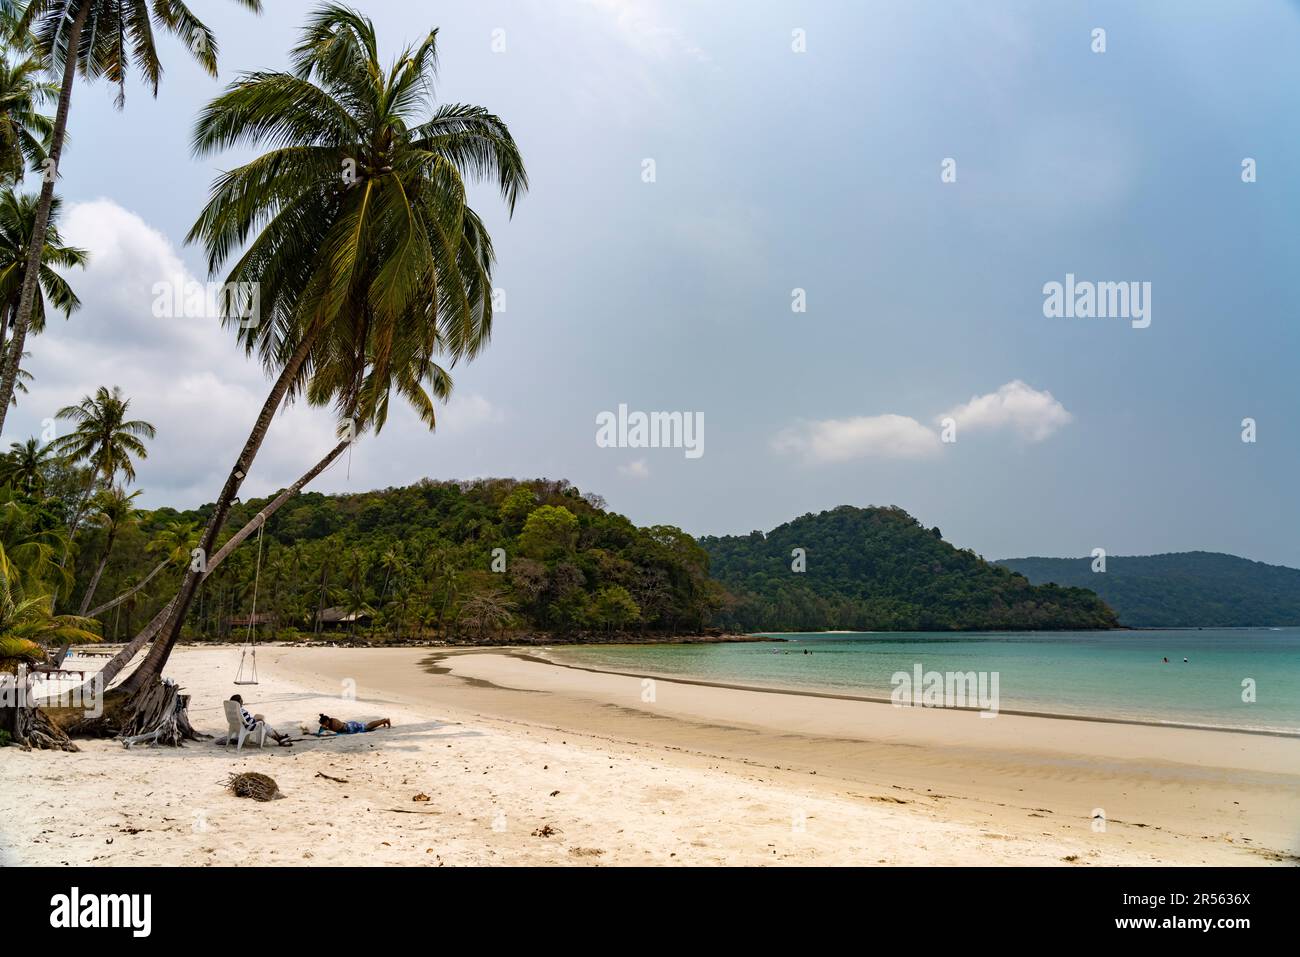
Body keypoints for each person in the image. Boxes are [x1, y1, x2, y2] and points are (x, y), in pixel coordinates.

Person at [317, 713, 392, 735]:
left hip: (351, 727)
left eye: (323, 723)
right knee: (366, 726)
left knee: (368, 727)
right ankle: (383, 721)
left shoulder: (333, 723)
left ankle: (385, 720)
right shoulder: (331, 720)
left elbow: (336, 731)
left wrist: (326, 728)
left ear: (326, 721)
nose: (323, 725)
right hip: (350, 725)